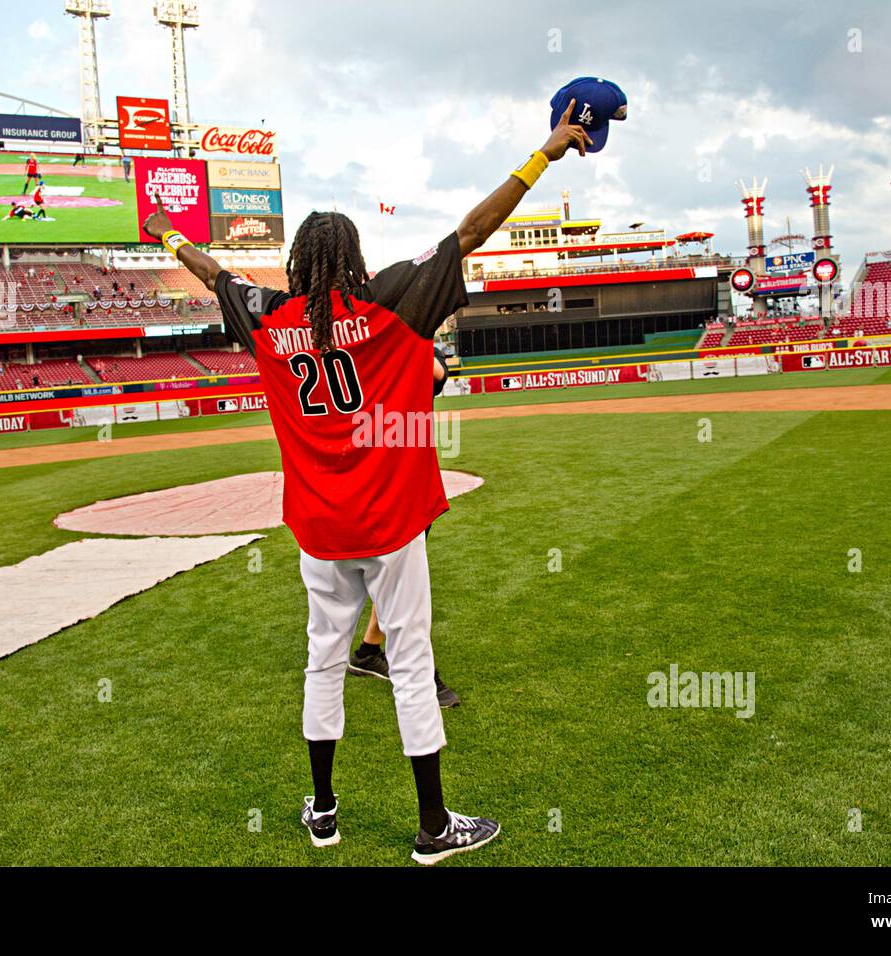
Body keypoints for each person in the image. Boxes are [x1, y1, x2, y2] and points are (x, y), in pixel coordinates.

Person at [141, 99, 589, 864]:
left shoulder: (270, 316)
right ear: (351, 256)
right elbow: (472, 233)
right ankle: (432, 825)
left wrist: (172, 234)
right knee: (410, 664)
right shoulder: (390, 298)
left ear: (297, 261)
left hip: (318, 529)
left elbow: (218, 275)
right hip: (389, 522)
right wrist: (542, 155)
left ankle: (322, 811)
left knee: (322, 661)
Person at [348, 345, 460, 708]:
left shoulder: (403, 333)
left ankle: (368, 651)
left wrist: (403, 334)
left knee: (398, 578)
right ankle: (420, 671)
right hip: (375, 477)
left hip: (407, 476)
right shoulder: (355, 338)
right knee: (404, 583)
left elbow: (439, 374)